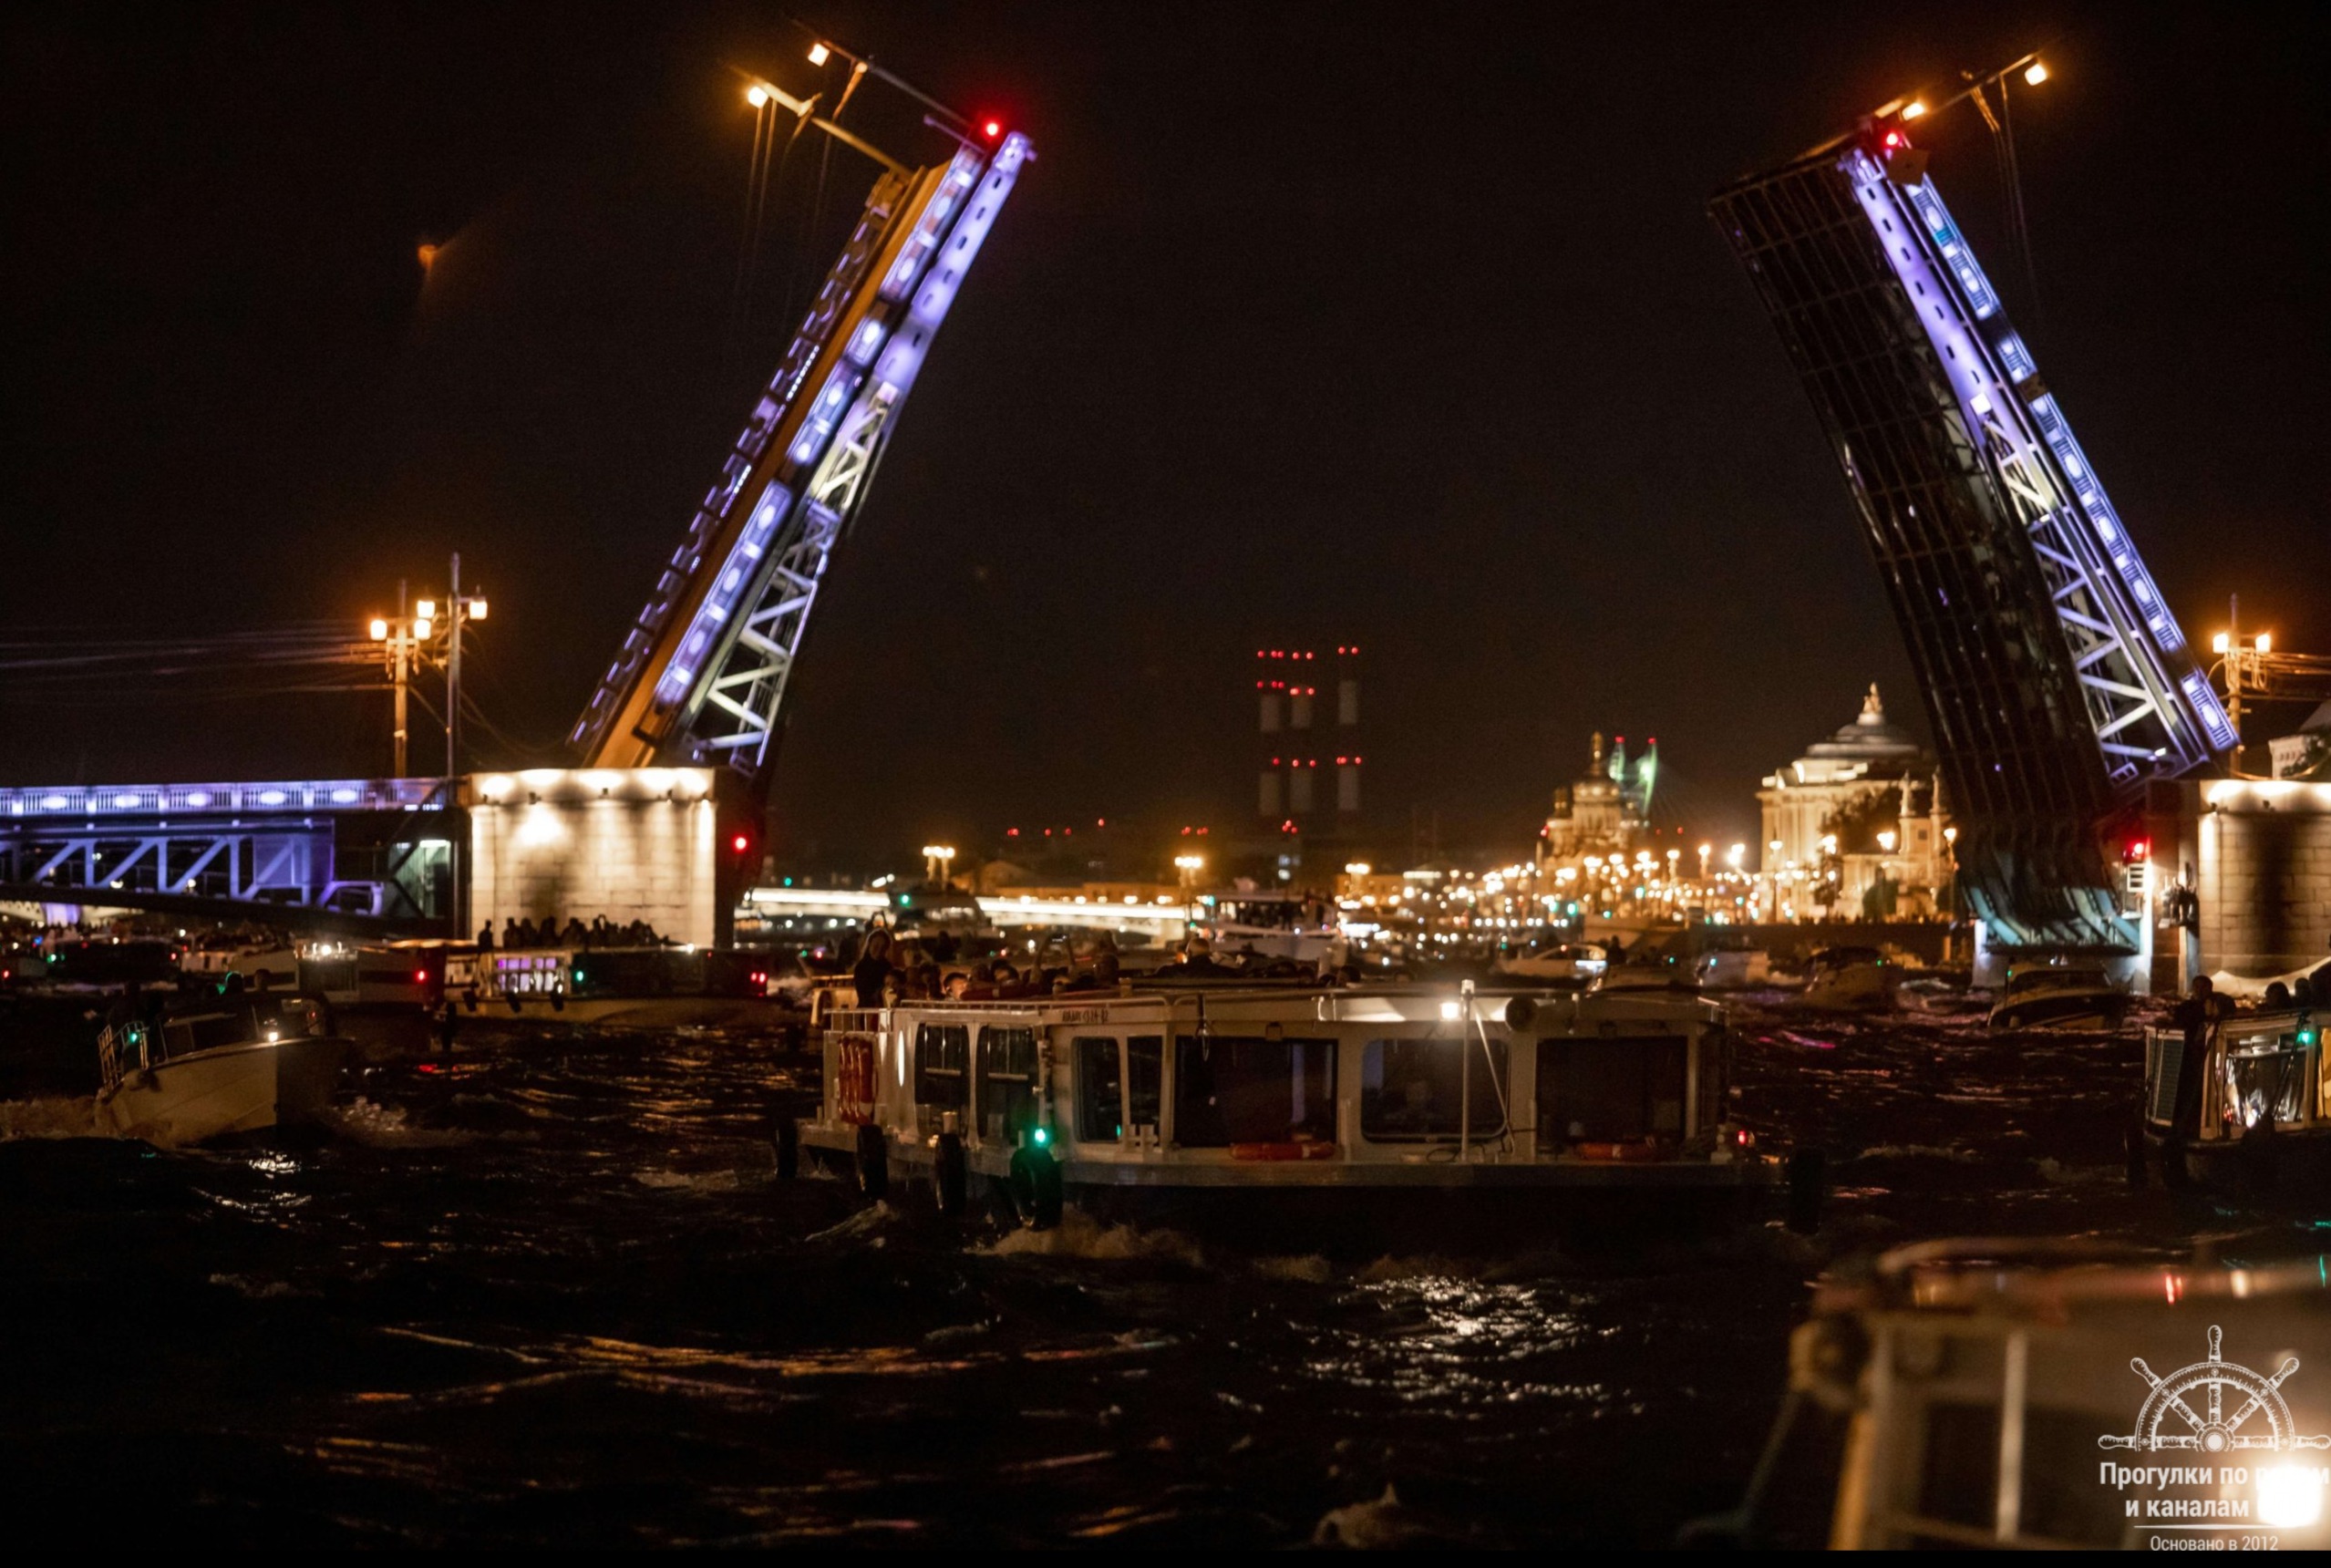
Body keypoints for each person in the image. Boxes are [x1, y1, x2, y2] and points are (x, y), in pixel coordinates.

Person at [852, 928, 894, 1007]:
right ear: (869, 945)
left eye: (883, 948)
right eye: (876, 946)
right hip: (867, 1011)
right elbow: (864, 994)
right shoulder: (861, 968)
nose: (879, 950)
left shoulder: (888, 967)